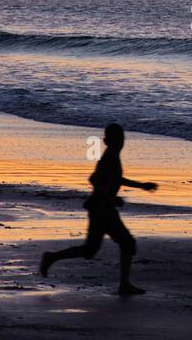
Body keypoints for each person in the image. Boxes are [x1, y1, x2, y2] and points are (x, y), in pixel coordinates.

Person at [40, 123, 157, 295]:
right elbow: (94, 179)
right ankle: (124, 285)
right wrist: (111, 198)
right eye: (119, 138)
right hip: (102, 208)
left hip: (99, 207)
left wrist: (140, 185)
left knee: (90, 250)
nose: (121, 141)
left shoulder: (112, 155)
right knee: (127, 243)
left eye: (122, 138)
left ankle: (51, 257)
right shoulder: (110, 156)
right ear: (109, 140)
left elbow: (116, 178)